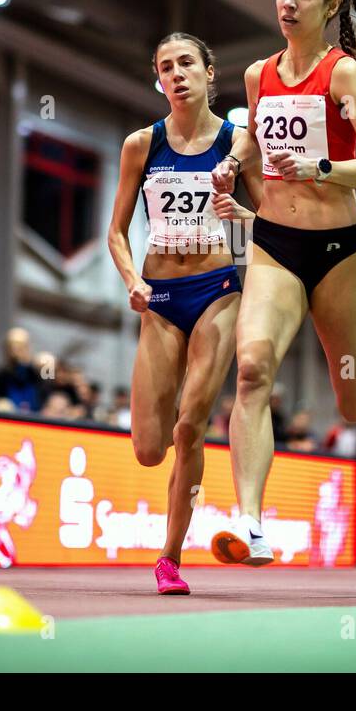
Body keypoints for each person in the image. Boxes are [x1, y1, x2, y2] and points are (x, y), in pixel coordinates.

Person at [208, 0, 356, 567]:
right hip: (275, 246)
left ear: (331, 7)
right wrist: (232, 164)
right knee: (251, 369)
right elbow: (253, 136)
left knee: (355, 403)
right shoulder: (258, 74)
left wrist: (322, 168)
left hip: (342, 253)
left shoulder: (343, 75)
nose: (287, 3)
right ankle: (250, 523)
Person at [107, 31, 260, 594]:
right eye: (166, 66)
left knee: (191, 424)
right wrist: (132, 280)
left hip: (217, 288)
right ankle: (179, 482)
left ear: (209, 72)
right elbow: (117, 231)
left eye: (187, 63)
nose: (176, 73)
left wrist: (239, 212)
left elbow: (270, 224)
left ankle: (169, 557)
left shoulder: (239, 142)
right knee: (151, 448)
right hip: (160, 298)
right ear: (159, 79)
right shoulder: (140, 145)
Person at [0, 327, 45, 411]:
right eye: (11, 347)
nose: (15, 351)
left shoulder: (36, 372)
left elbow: (46, 390)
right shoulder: (1, 375)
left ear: (27, 348)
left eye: (20, 347)